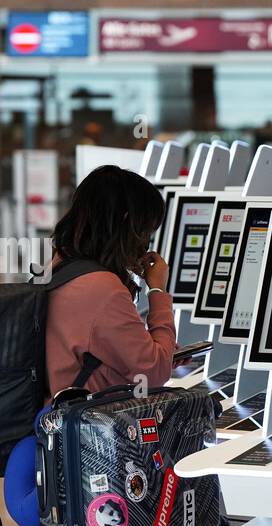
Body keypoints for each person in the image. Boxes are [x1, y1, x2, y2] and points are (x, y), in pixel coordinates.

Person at [43, 165, 178, 398]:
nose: (145, 242)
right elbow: (154, 372)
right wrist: (157, 290)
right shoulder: (102, 289)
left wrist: (162, 350)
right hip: (84, 428)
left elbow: (94, 359)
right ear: (127, 222)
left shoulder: (60, 266)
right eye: (146, 231)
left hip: (52, 418)